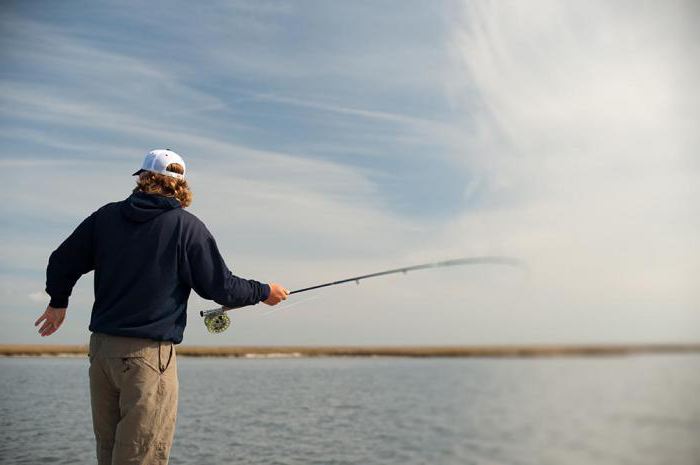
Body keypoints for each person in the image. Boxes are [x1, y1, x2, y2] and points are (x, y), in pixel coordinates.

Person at [34, 149, 288, 465]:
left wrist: (58, 302)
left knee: (109, 454)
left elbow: (61, 261)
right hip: (148, 360)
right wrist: (264, 291)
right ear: (180, 184)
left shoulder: (105, 218)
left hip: (101, 353)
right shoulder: (187, 227)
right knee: (142, 457)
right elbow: (220, 287)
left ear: (141, 178)